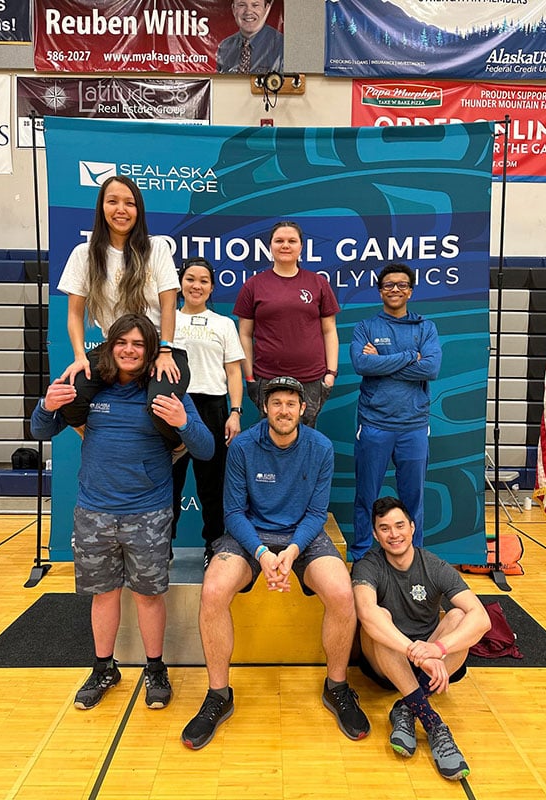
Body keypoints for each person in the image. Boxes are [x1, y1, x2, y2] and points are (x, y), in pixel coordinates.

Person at [30, 314, 214, 711]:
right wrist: (46, 406)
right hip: (94, 512)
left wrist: (183, 423)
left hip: (147, 513)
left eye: (139, 344)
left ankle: (155, 668)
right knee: (103, 596)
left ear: (151, 353)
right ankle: (103, 668)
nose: (129, 350)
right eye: (122, 343)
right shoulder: (91, 391)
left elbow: (206, 449)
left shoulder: (170, 395)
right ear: (110, 347)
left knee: (148, 597)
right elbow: (40, 430)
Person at [181, 376, 370, 749]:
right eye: (276, 403)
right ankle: (218, 695)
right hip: (249, 535)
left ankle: (337, 687)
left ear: (304, 409)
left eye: (291, 403)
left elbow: (317, 513)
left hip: (303, 536)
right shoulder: (244, 447)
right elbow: (233, 513)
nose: (284, 410)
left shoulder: (321, 447)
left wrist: (292, 551)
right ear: (265, 408)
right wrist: (263, 554)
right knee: (214, 590)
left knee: (341, 593)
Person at [351, 496, 491, 781]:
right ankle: (433, 722)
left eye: (400, 525)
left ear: (413, 527)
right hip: (387, 660)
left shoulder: (434, 566)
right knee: (379, 620)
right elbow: (366, 614)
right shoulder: (368, 565)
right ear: (376, 534)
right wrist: (414, 652)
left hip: (429, 657)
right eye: (385, 528)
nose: (394, 534)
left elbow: (482, 618)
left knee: (459, 618)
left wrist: (437, 648)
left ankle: (408, 706)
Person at [57, 174, 189, 445]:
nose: (121, 209)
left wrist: (165, 350)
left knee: (160, 407)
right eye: (112, 201)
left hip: (156, 345)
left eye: (129, 203)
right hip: (114, 349)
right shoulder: (84, 254)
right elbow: (73, 314)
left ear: (138, 210)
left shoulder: (157, 248)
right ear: (101, 207)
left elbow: (168, 305)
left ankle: (176, 450)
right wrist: (80, 356)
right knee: (71, 396)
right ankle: (99, 444)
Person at [350, 262, 442, 558]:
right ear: (380, 291)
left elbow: (431, 367)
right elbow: (362, 365)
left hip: (413, 426)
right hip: (374, 424)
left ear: (410, 291)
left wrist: (384, 362)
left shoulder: (425, 327)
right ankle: (363, 557)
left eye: (402, 285)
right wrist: (407, 357)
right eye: (389, 285)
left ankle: (413, 560)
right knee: (367, 496)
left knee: (412, 500)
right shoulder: (365, 327)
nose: (395, 290)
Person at [171, 257, 245, 567]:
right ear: (180, 284)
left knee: (212, 486)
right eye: (190, 279)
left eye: (203, 280)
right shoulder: (166, 321)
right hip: (173, 406)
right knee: (169, 483)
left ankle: (214, 544)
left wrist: (235, 411)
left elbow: (233, 373)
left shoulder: (224, 324)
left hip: (213, 408)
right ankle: (162, 546)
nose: (196, 285)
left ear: (212, 287)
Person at [234, 221, 340, 427]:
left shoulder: (318, 283)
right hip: (267, 378)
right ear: (270, 246)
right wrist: (250, 377)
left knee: (305, 441)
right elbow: (245, 334)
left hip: (311, 379)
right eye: (279, 240)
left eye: (292, 241)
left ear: (301, 247)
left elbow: (329, 331)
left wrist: (330, 374)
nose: (285, 245)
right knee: (270, 440)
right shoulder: (253, 285)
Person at [217, 0, 283, 74]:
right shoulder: (224, 47)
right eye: (241, 5)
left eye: (255, 5)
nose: (248, 12)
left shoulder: (282, 46)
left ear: (267, 9)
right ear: (233, 9)